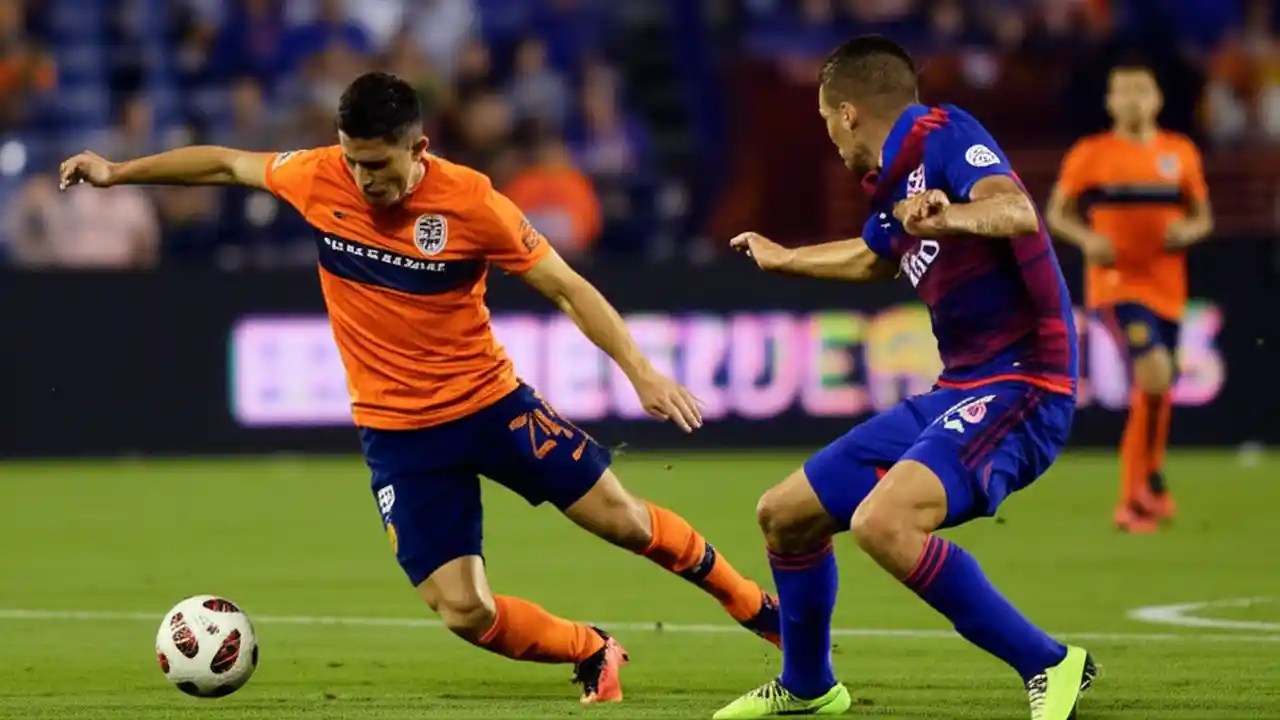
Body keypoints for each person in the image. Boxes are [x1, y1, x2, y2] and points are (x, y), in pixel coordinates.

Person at [59, 71, 779, 705]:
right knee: (465, 612)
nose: (365, 179)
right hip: (399, 437)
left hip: (491, 406)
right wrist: (119, 172)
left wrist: (641, 370)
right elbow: (222, 162)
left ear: (419, 149)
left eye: (377, 164)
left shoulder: (472, 203)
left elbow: (565, 286)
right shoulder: (315, 176)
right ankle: (591, 649)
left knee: (622, 520)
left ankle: (758, 609)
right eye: (353, 161)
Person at [716, 36, 1095, 720]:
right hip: (960, 388)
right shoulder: (892, 186)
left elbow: (1013, 210)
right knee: (785, 515)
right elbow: (873, 260)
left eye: (827, 119)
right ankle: (809, 687)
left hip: (1024, 387)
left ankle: (1049, 662)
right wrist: (784, 259)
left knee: (882, 522)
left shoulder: (945, 133)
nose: (828, 135)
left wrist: (951, 216)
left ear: (850, 111)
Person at [1047, 63, 1213, 534]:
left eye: (1141, 89)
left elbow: (1203, 217)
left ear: (1157, 98)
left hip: (1168, 288)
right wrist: (1086, 239)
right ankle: (1132, 500)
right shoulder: (1092, 154)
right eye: (1123, 91)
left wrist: (1188, 231)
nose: (1133, 99)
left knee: (1158, 387)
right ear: (1110, 102)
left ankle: (1153, 478)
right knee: (1155, 374)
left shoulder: (1179, 153)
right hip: (1117, 285)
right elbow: (1057, 214)